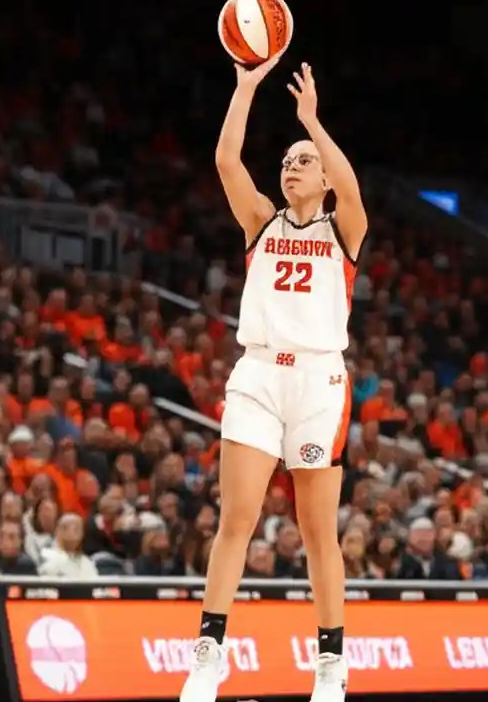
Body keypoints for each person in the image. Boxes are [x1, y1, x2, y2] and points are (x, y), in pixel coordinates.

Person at [181, 56, 367, 702]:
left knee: (319, 532)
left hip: (318, 385)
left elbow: (351, 187)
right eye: (287, 160)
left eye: (303, 161)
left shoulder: (344, 229)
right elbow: (228, 161)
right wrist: (245, 85)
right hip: (258, 375)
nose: (293, 167)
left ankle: (330, 663)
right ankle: (208, 652)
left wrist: (312, 124)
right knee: (237, 518)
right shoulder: (261, 221)